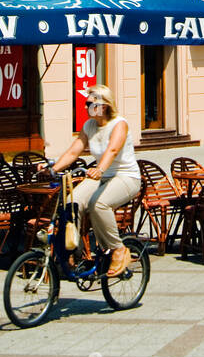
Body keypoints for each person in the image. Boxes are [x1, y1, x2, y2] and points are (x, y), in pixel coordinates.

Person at [41, 85, 140, 277]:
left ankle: (118, 249)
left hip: (125, 176)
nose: (86, 107)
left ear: (103, 106)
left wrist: (100, 169)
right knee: (72, 202)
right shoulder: (89, 126)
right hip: (101, 176)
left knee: (98, 204)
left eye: (90, 103)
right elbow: (73, 151)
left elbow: (112, 150)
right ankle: (74, 252)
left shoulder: (119, 124)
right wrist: (52, 169)